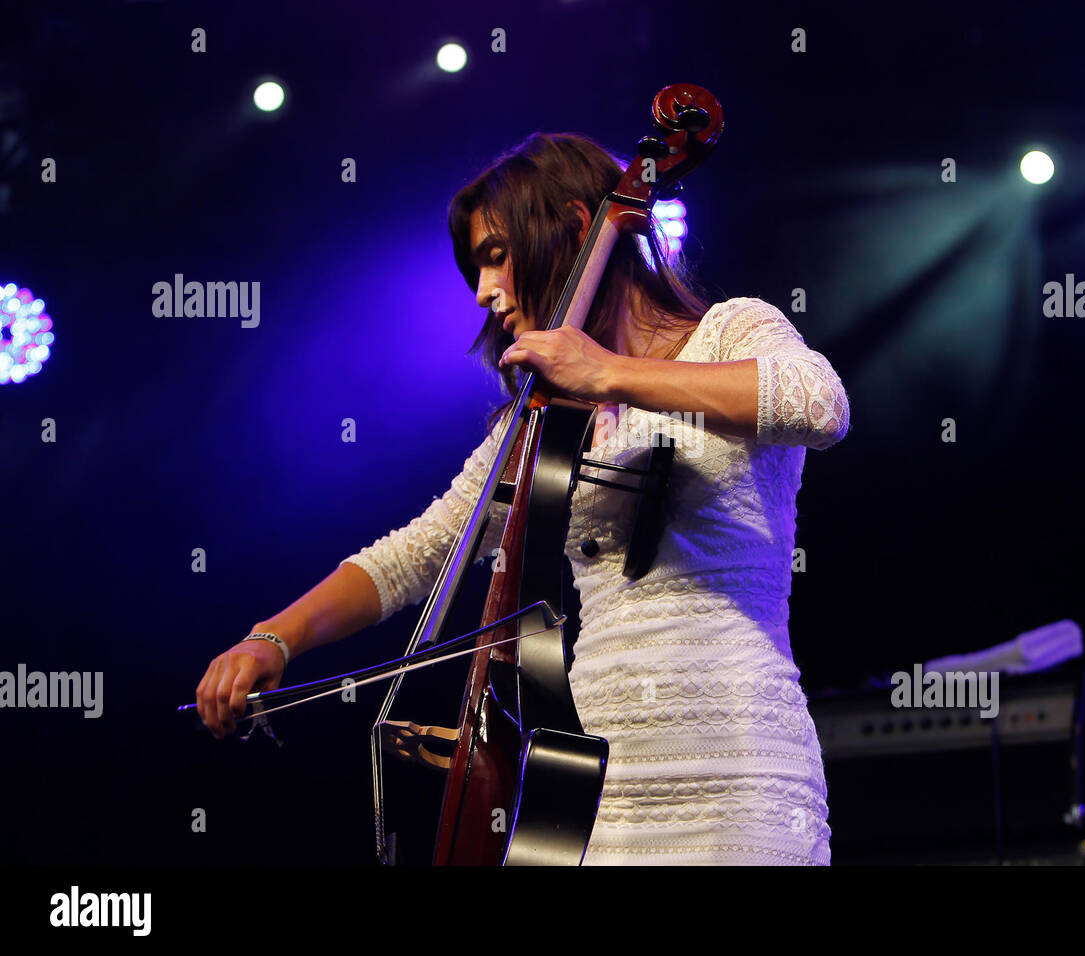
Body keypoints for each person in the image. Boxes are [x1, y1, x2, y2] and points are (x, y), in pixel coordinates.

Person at [195, 132, 851, 865]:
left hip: (741, 771)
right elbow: (421, 551)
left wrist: (607, 373)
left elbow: (818, 405)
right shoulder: (537, 419)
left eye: (495, 255)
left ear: (575, 225)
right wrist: (275, 635)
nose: (482, 290)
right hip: (591, 784)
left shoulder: (730, 329)